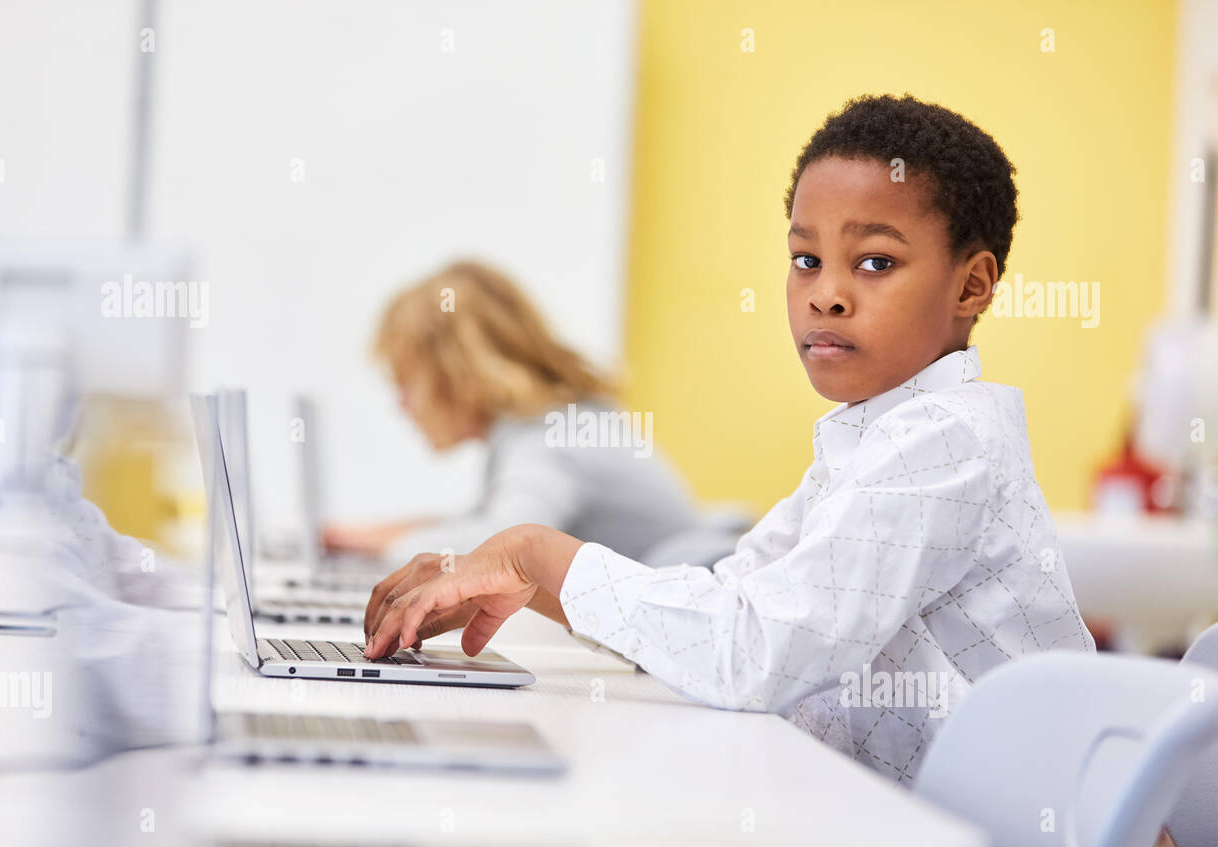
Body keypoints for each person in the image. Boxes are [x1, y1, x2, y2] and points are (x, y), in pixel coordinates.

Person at [363, 94, 1096, 786]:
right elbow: (730, 603)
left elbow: (755, 656)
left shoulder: (945, 443)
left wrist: (536, 555)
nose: (826, 293)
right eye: (806, 259)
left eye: (874, 262)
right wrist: (526, 586)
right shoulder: (873, 440)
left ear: (972, 287)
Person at [322, 260, 702, 563]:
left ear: (457, 374)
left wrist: (392, 548)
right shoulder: (558, 422)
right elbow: (486, 524)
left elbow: (503, 550)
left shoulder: (548, 442)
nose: (401, 406)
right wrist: (376, 534)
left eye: (405, 383)